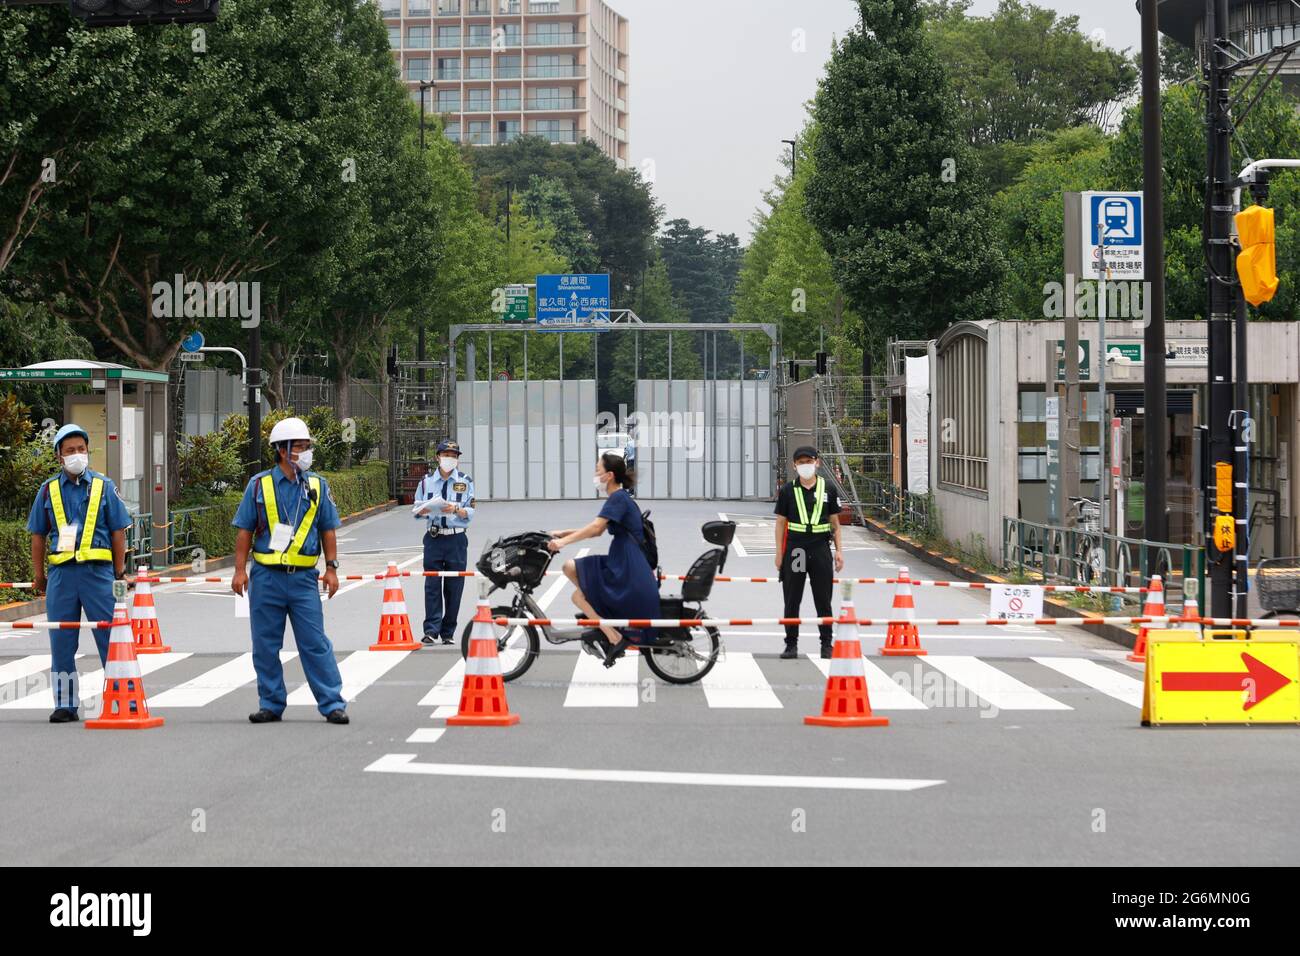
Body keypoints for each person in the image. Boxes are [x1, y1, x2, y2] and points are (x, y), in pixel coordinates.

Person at [230, 416, 348, 724]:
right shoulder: (259, 485)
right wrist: (239, 571)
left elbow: (329, 529)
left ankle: (332, 703)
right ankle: (270, 703)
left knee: (315, 642)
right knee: (266, 644)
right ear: (282, 451)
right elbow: (244, 530)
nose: (307, 452)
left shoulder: (318, 486)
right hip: (266, 578)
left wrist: (331, 568)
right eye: (300, 447)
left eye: (308, 446)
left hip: (304, 579)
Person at [27, 424, 133, 723]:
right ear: (59, 456)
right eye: (70, 450)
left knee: (110, 638)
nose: (77, 455)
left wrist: (119, 571)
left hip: (98, 575)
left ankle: (121, 697)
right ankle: (65, 704)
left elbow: (118, 530)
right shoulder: (47, 490)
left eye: (81, 449)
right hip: (61, 576)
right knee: (62, 642)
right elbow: (37, 534)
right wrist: (38, 576)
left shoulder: (103, 485)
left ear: (88, 451)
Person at [548, 453, 658, 666]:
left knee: (575, 586)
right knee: (578, 589)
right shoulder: (621, 497)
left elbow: (596, 528)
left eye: (597, 470)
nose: (595, 475)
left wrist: (563, 542)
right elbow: (598, 529)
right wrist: (564, 533)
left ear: (609, 475)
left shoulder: (617, 497)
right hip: (626, 559)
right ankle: (606, 623)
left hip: (626, 564)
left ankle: (612, 635)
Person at [773, 446, 844, 660]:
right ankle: (791, 644)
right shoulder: (787, 490)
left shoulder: (829, 488)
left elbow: (836, 524)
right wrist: (779, 554)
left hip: (820, 548)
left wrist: (839, 551)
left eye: (809, 461)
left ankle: (826, 644)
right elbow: (780, 523)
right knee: (792, 598)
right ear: (794, 465)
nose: (805, 465)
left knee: (823, 599)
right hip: (796, 550)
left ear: (817, 463)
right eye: (801, 462)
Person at [414, 439, 475, 645]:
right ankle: (431, 630)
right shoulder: (425, 482)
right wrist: (423, 511)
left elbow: (471, 511)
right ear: (437, 457)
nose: (450, 459)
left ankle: (448, 632)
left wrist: (456, 509)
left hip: (457, 538)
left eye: (454, 456)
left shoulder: (466, 481)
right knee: (432, 584)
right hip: (434, 538)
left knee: (454, 586)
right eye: (446, 455)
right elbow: (416, 509)